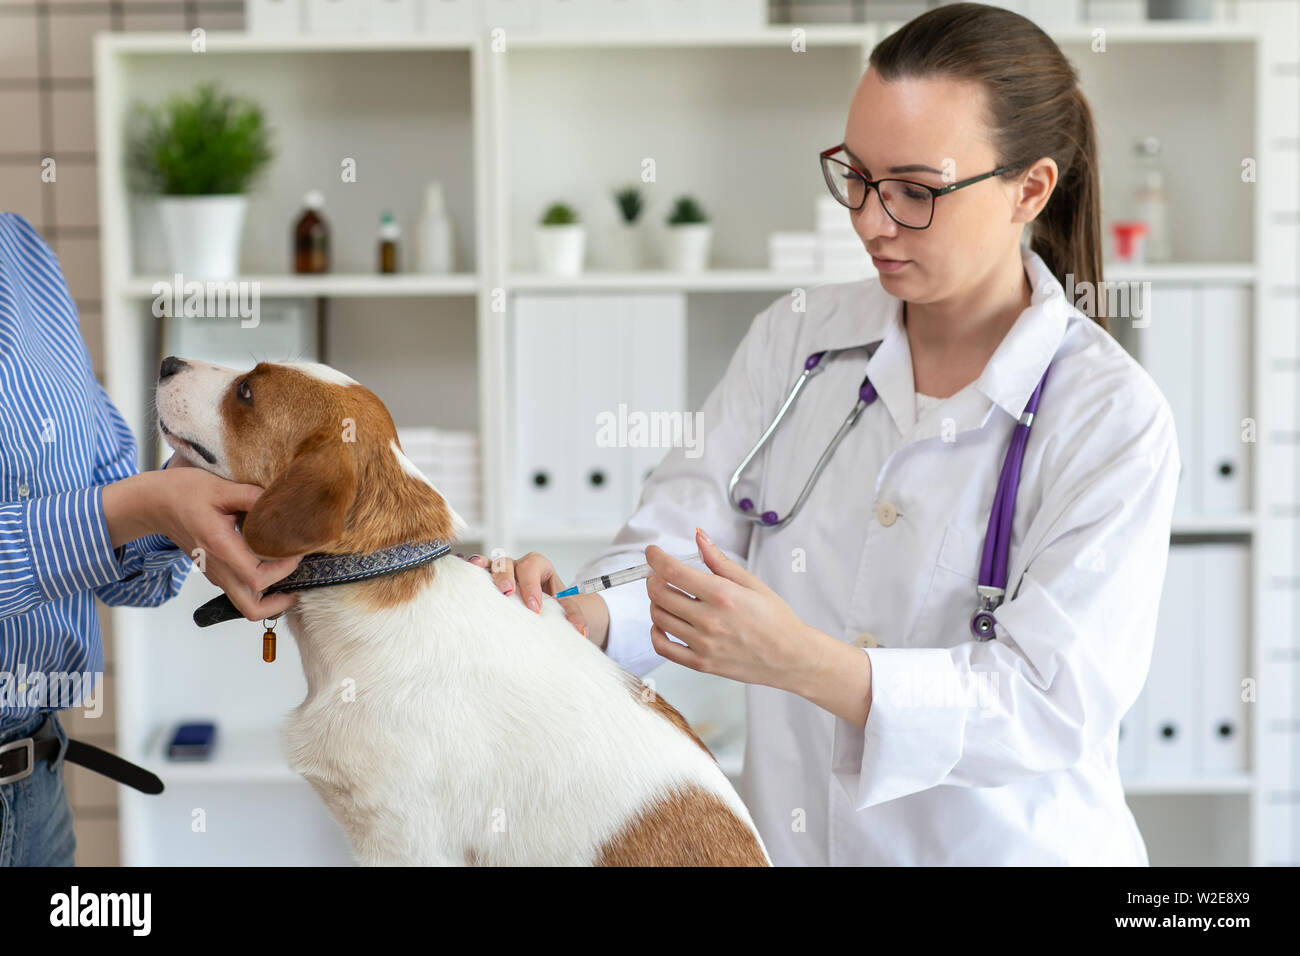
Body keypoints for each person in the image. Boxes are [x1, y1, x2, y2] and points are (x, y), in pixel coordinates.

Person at [466, 3, 1180, 865]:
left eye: (917, 190)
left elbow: (1050, 702)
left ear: (1030, 188)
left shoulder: (1109, 415)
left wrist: (804, 662)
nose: (871, 220)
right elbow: (682, 537)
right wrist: (581, 619)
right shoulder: (797, 339)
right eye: (858, 176)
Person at [0, 211, 303, 866]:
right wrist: (149, 503)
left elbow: (120, 551)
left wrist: (175, 500)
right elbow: (114, 507)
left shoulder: (21, 254)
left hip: (35, 781)